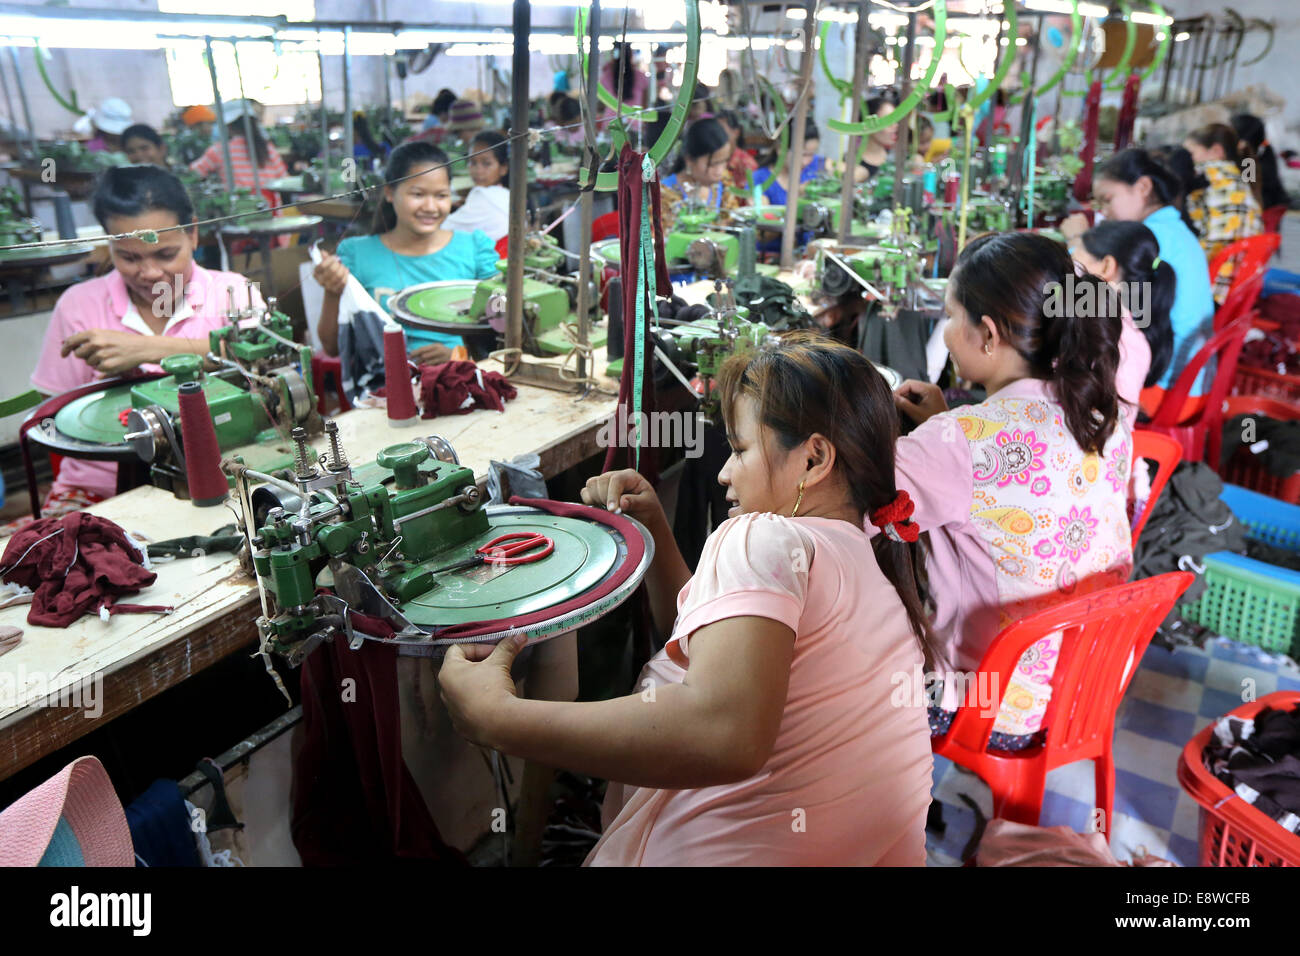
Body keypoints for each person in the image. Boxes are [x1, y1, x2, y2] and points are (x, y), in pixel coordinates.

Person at [437, 333, 937, 866]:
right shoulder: (877, 570)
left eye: (740, 449)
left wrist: (498, 718)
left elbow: (722, 732)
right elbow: (726, 651)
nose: (723, 472)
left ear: (813, 459)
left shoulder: (766, 536)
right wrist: (655, 523)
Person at [892, 232, 1132, 750]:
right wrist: (947, 427)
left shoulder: (963, 442)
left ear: (988, 334)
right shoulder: (1104, 417)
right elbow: (1008, 472)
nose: (946, 333)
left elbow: (859, 507)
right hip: (1084, 692)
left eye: (952, 316)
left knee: (830, 646)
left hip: (988, 708)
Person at [28, 165, 263, 514]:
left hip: (223, 476)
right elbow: (54, 416)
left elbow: (266, 363)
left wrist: (148, 349)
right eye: (128, 257)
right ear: (109, 243)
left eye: (165, 254)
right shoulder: (79, 305)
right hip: (103, 489)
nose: (150, 273)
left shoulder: (232, 293)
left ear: (193, 234)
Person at [1061, 148, 1216, 422]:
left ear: (1143, 187)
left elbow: (1084, 299)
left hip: (1167, 392)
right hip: (1193, 382)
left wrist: (1077, 243)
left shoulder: (1150, 240)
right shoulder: (1173, 230)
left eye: (1108, 200)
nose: (1104, 213)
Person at [313, 141, 498, 366]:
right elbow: (333, 347)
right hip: (386, 389)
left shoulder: (475, 249)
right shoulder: (357, 254)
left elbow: (500, 333)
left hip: (463, 382)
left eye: (441, 196)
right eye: (418, 194)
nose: (431, 207)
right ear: (390, 193)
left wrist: (460, 357)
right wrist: (332, 293)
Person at [1073, 220, 1176, 421]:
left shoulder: (1103, 335)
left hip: (1097, 448)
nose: (1068, 274)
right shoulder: (1130, 330)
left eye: (1075, 264)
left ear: (1106, 267)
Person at [1184, 123, 1264, 302]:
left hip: (1208, 288)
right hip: (1235, 288)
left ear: (1216, 151)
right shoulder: (1242, 179)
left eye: (1191, 154)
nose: (1188, 160)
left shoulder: (1204, 174)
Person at [189, 101, 288, 206]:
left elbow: (193, 173)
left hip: (241, 212)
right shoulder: (267, 147)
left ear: (228, 126)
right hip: (273, 212)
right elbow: (284, 179)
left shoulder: (220, 150)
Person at [659, 117, 740, 230]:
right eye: (713, 164)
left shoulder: (724, 183)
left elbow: (731, 222)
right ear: (689, 160)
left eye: (724, 161)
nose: (720, 170)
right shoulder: (664, 194)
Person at [443, 129, 510, 242]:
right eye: (473, 162)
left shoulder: (483, 196)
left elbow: (444, 228)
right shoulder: (506, 194)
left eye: (486, 163)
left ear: (503, 168)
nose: (478, 170)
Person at [751, 118, 826, 206]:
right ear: (780, 149)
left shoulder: (815, 164)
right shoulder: (759, 179)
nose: (806, 162)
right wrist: (798, 194)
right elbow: (762, 215)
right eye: (803, 154)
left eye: (811, 154)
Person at [1231, 112, 1289, 210]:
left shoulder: (1252, 156)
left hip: (1267, 207)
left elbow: (1249, 185)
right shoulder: (1263, 149)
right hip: (1268, 204)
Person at [855, 90, 901, 182]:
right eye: (888, 121)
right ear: (868, 124)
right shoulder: (850, 163)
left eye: (895, 120)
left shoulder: (898, 159)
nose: (896, 125)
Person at [717, 108, 758, 186]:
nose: (716, 135)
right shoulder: (712, 158)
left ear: (736, 132)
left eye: (721, 130)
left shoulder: (746, 164)